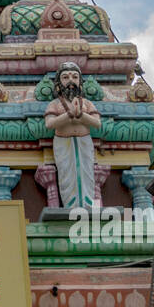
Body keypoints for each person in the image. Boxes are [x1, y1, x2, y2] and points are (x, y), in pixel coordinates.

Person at [41, 62, 102, 210]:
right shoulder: (55, 104)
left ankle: (88, 206)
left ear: (80, 82)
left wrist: (81, 114)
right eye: (65, 77)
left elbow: (97, 123)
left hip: (84, 141)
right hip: (63, 143)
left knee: (87, 174)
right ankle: (71, 207)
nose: (70, 80)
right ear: (58, 84)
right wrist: (69, 114)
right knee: (67, 175)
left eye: (75, 77)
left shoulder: (86, 103)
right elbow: (49, 124)